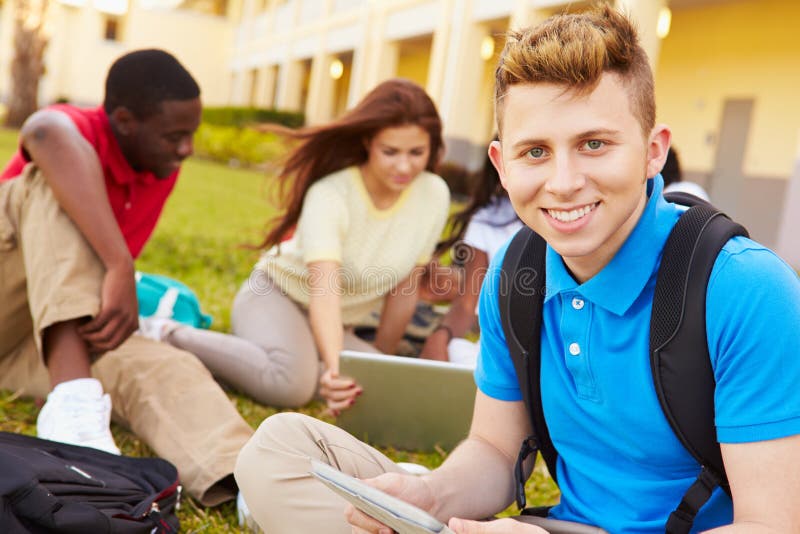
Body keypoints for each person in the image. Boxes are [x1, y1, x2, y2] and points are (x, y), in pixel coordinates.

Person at [233, 6, 800, 533]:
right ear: (502, 165)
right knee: (280, 448)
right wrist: (432, 496)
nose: (562, 181)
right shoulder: (516, 269)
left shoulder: (745, 288)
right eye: (536, 153)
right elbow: (495, 452)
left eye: (594, 144)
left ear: (654, 151)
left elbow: (771, 525)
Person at [0, 49, 253, 508]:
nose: (186, 150)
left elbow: (84, 288)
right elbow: (43, 132)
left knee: (165, 364)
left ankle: (252, 487)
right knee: (50, 183)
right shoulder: (71, 129)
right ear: (124, 120)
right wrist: (121, 264)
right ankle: (74, 402)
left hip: (33, 343)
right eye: (174, 136)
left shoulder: (158, 169)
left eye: (192, 135)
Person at [150, 78, 450, 413]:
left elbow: (406, 289)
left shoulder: (434, 195)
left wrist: (380, 363)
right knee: (292, 386)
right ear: (368, 142)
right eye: (390, 152)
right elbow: (324, 291)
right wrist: (336, 372)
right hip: (276, 297)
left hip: (336, 323)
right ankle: (167, 332)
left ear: (432, 147)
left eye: (416, 153)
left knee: (386, 389)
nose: (404, 166)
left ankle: (288, 361)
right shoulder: (331, 194)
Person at [419, 146, 522, 365]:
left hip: (558, 351)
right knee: (454, 351)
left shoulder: (575, 216)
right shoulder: (489, 218)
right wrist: (442, 335)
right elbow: (467, 304)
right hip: (504, 353)